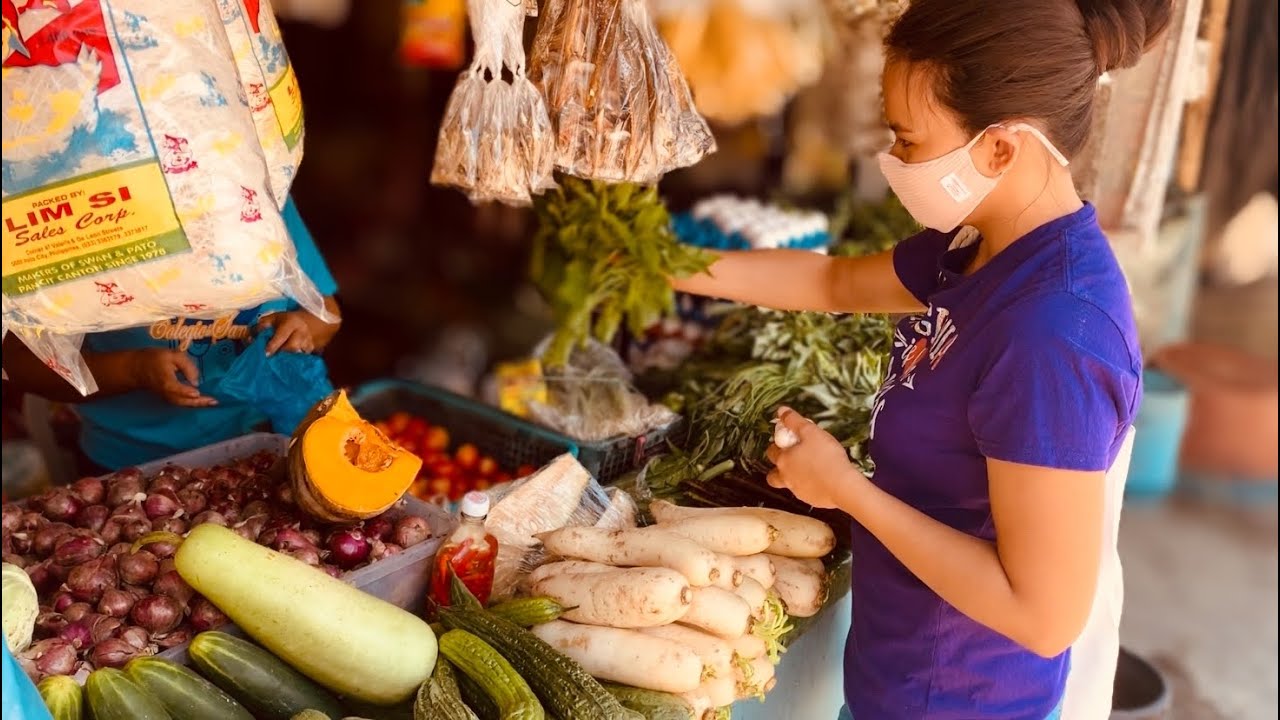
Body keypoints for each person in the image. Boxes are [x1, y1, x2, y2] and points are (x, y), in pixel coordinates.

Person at [673, 0, 1171, 717]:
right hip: (898, 686)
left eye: (909, 140)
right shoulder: (981, 246)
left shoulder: (1055, 332)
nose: (894, 161)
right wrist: (663, 263)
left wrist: (846, 489)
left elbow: (1041, 615)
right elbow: (832, 282)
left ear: (1001, 148)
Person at [2, 197, 341, 474]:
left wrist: (302, 328)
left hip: (260, 443)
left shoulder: (261, 198)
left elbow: (326, 312)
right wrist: (133, 369)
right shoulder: (75, 220)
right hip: (128, 464)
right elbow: (22, 364)